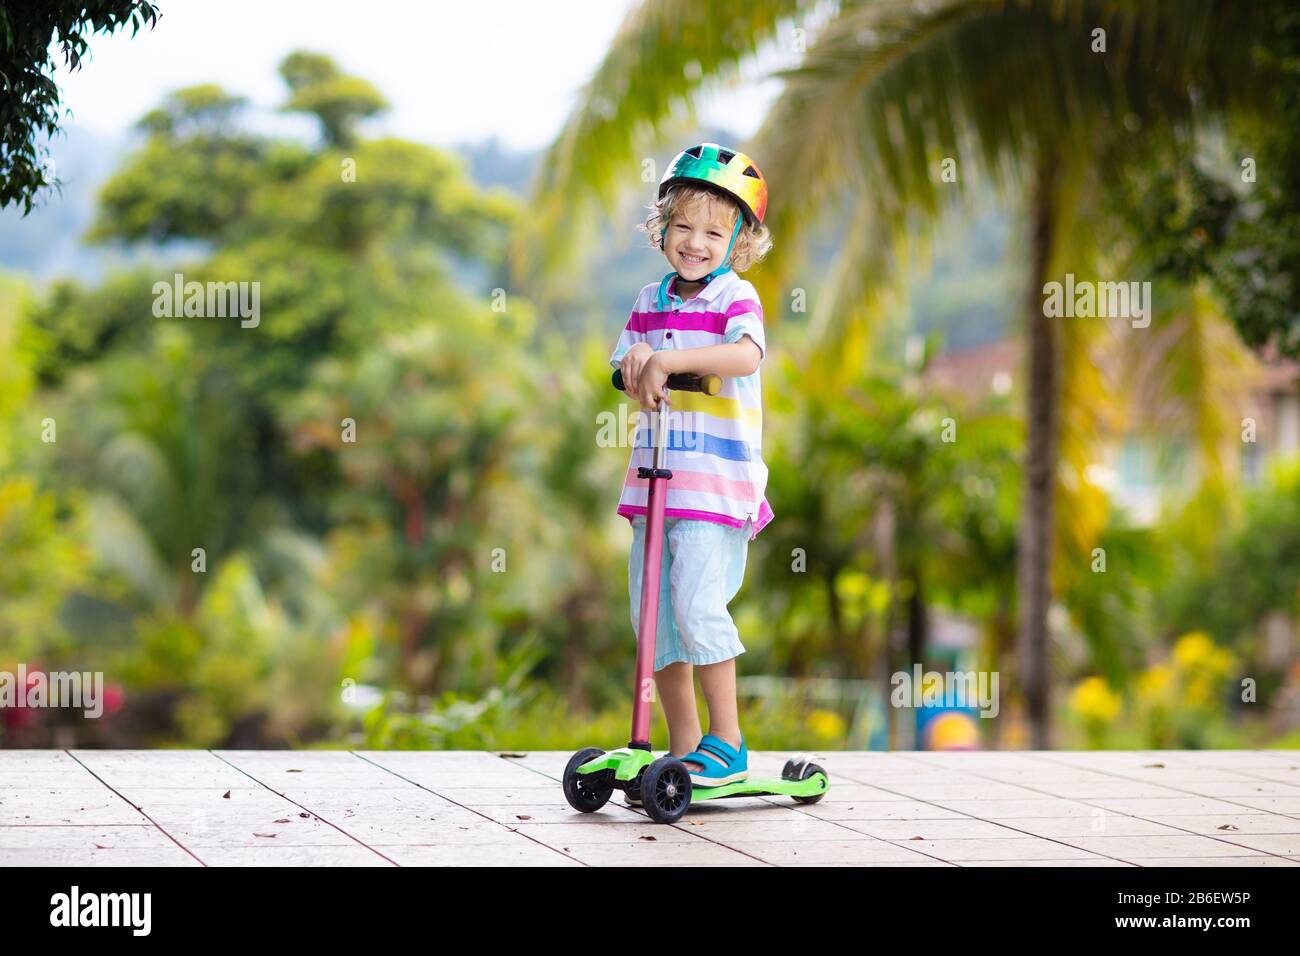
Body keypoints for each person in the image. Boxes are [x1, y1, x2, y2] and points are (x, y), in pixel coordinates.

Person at [608, 143, 774, 797]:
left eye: (713, 231)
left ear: (737, 240)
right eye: (683, 226)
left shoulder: (739, 296)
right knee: (655, 622)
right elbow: (624, 365)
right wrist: (639, 363)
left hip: (715, 486)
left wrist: (670, 363)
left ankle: (727, 744)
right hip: (655, 485)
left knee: (700, 608)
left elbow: (745, 359)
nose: (695, 242)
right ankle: (680, 751)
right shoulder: (649, 299)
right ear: (663, 227)